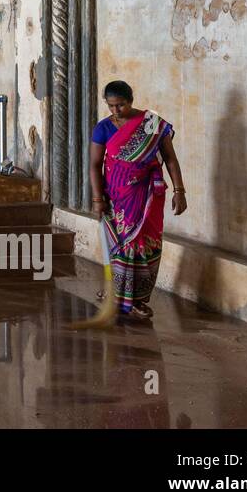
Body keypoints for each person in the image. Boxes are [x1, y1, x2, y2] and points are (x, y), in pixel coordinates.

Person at [89, 81, 186, 320]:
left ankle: (138, 299)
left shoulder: (150, 123)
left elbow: (170, 159)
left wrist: (179, 191)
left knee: (144, 244)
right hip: (116, 195)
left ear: (131, 101)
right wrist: (97, 198)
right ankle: (116, 291)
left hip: (146, 195)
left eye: (121, 105)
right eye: (111, 106)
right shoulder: (103, 128)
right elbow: (94, 165)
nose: (116, 111)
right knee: (119, 245)